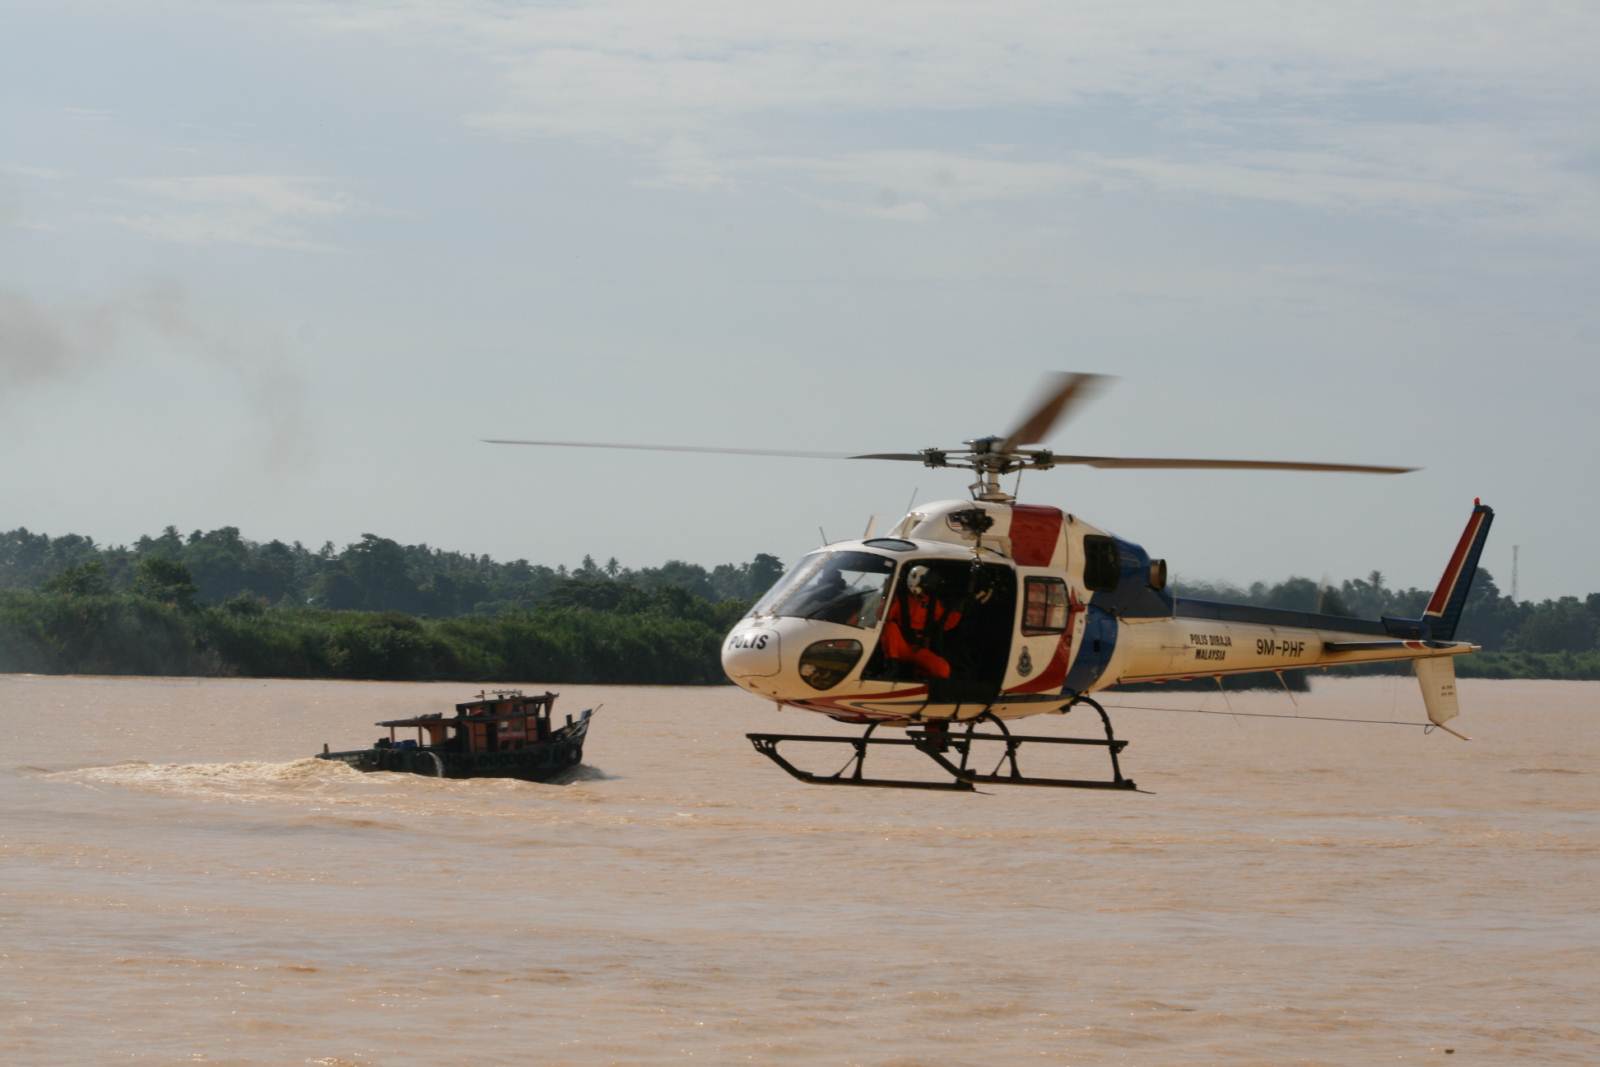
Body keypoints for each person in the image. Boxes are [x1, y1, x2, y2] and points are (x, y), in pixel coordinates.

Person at [881, 565, 962, 679]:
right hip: (901, 645)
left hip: (919, 648)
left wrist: (957, 610)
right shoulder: (901, 599)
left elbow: (946, 625)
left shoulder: (933, 603)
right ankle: (892, 667)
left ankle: (921, 676)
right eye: (927, 581)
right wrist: (886, 594)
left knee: (943, 670)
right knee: (889, 626)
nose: (930, 585)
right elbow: (883, 616)